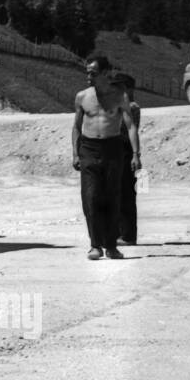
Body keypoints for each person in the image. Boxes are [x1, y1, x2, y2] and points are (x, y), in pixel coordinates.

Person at [72, 55, 140, 260]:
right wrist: (75, 153)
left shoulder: (120, 96)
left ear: (105, 73)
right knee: (90, 197)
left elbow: (130, 126)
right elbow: (76, 127)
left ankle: (111, 246)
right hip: (89, 149)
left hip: (113, 149)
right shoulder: (82, 97)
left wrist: (136, 154)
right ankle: (95, 245)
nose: (88, 77)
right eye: (87, 73)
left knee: (112, 198)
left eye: (92, 73)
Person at [112, 72, 142, 244]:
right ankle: (118, 233)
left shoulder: (132, 107)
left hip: (126, 150)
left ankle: (128, 235)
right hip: (119, 151)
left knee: (126, 196)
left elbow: (128, 129)